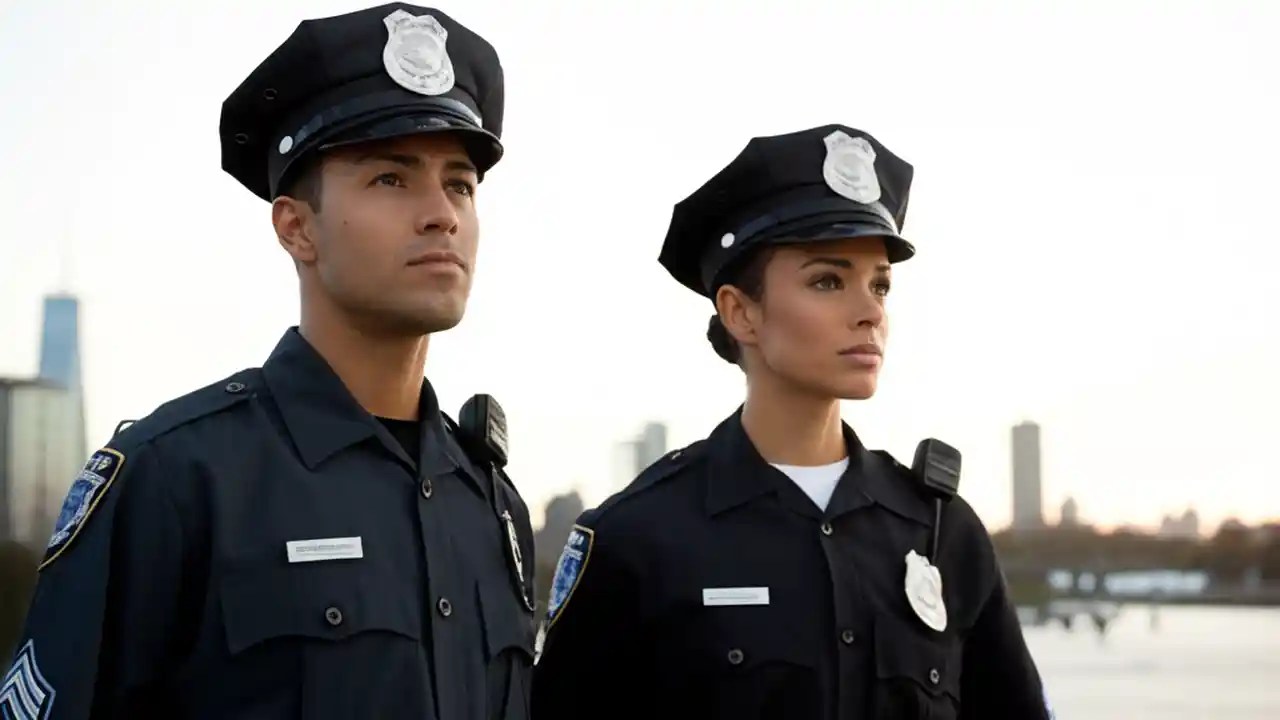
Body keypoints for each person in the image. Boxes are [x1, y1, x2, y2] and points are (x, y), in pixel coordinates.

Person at [1, 4, 536, 719]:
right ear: (296, 226)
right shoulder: (176, 479)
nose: (441, 213)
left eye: (460, 184)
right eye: (390, 178)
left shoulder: (491, 506)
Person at [531, 124, 1053, 719]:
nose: (868, 313)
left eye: (879, 285)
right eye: (827, 281)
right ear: (741, 312)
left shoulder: (941, 533)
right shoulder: (639, 538)